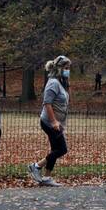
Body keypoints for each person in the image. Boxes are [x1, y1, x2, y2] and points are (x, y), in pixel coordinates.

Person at [29, 57, 71, 185]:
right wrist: (54, 122)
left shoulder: (60, 82)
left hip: (57, 123)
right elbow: (47, 103)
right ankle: (35, 166)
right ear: (59, 68)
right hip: (49, 122)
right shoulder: (53, 83)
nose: (68, 71)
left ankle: (47, 178)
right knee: (62, 149)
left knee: (55, 149)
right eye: (66, 68)